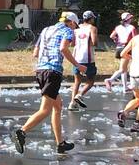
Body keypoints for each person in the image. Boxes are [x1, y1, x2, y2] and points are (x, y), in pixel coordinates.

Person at [11, 11, 84, 155]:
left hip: (41, 70)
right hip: (53, 72)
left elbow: (35, 52)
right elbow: (63, 48)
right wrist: (77, 65)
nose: (75, 30)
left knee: (58, 106)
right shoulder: (68, 31)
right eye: (75, 26)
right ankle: (21, 132)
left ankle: (60, 143)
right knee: (45, 109)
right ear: (72, 23)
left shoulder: (46, 30)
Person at [68, 12, 98, 108]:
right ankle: (80, 95)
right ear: (91, 19)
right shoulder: (92, 28)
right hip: (88, 58)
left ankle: (72, 104)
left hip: (76, 58)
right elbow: (94, 42)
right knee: (91, 80)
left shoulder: (76, 28)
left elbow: (72, 44)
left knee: (77, 81)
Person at [104, 11, 136, 90]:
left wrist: (116, 40)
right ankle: (110, 80)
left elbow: (112, 36)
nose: (131, 19)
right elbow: (135, 38)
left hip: (118, 48)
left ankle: (125, 88)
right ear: (128, 19)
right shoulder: (132, 27)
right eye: (130, 18)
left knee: (124, 69)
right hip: (126, 48)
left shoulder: (118, 27)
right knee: (122, 69)